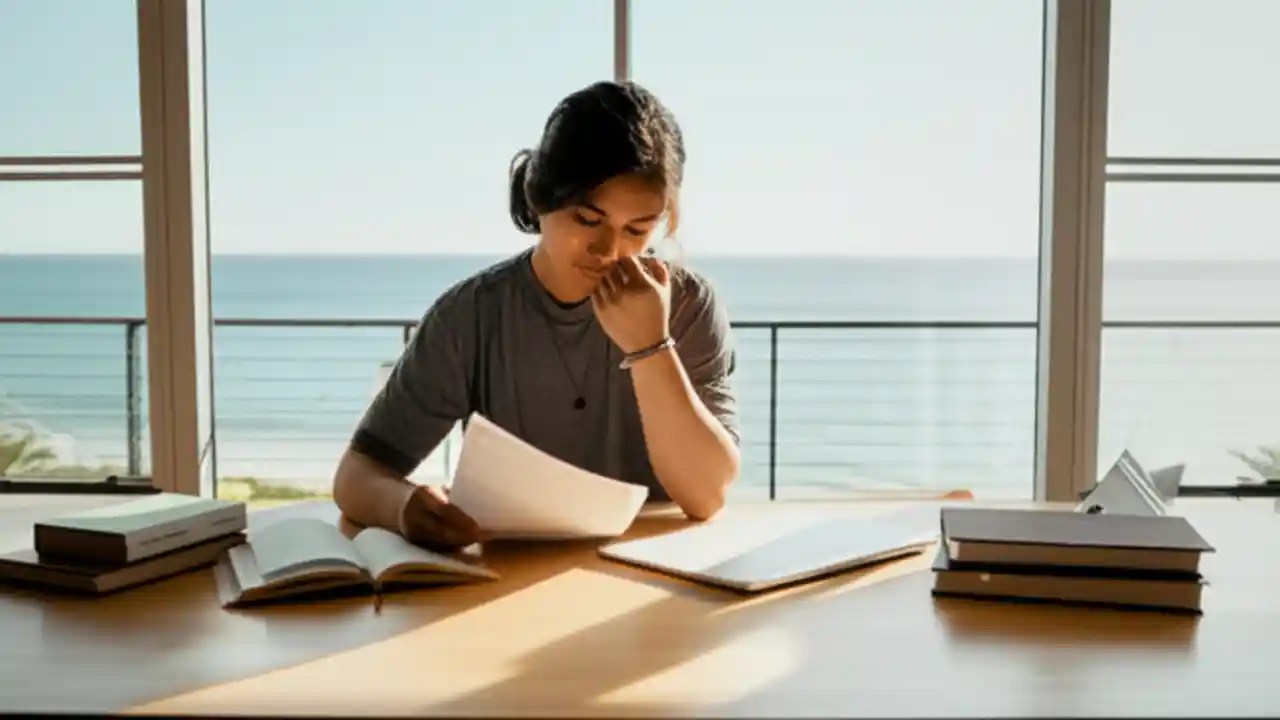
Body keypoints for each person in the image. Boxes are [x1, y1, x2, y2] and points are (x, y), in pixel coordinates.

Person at [332, 80, 740, 550]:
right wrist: (404, 506)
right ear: (538, 196)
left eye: (637, 229)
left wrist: (651, 347)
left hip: (653, 579)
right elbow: (357, 475)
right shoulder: (470, 316)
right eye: (587, 220)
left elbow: (707, 498)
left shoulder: (688, 305)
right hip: (511, 579)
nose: (609, 251)